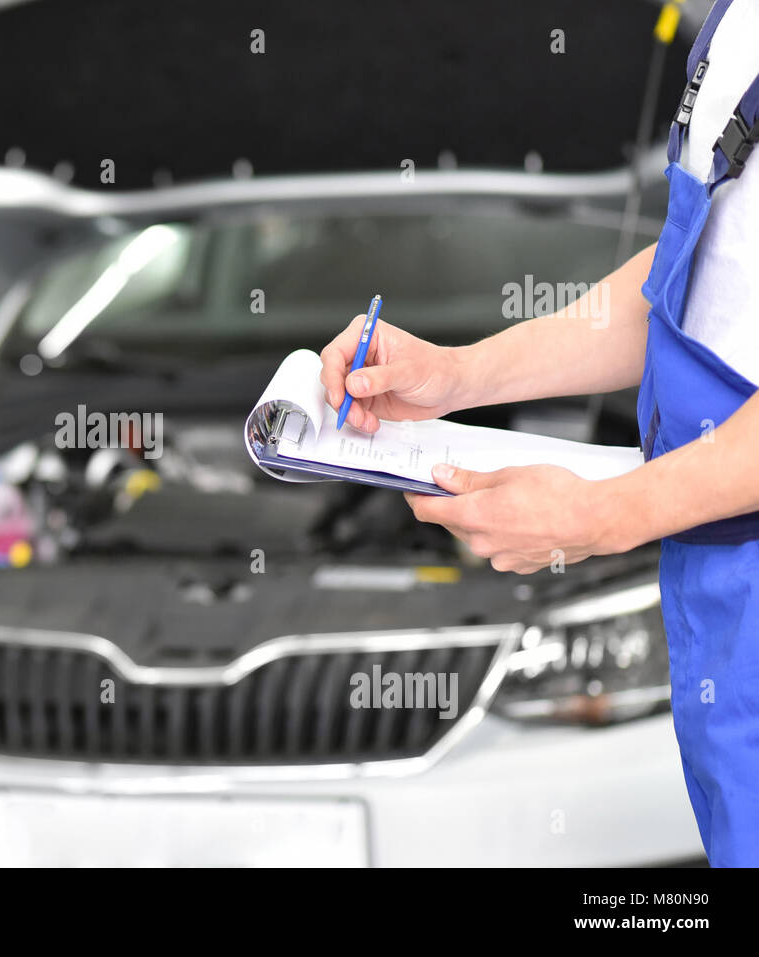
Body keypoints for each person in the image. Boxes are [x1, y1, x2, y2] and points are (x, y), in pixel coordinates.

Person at [319, 0, 759, 866]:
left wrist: (604, 515)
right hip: (719, 593)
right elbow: (686, 285)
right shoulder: (733, 27)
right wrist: (459, 375)